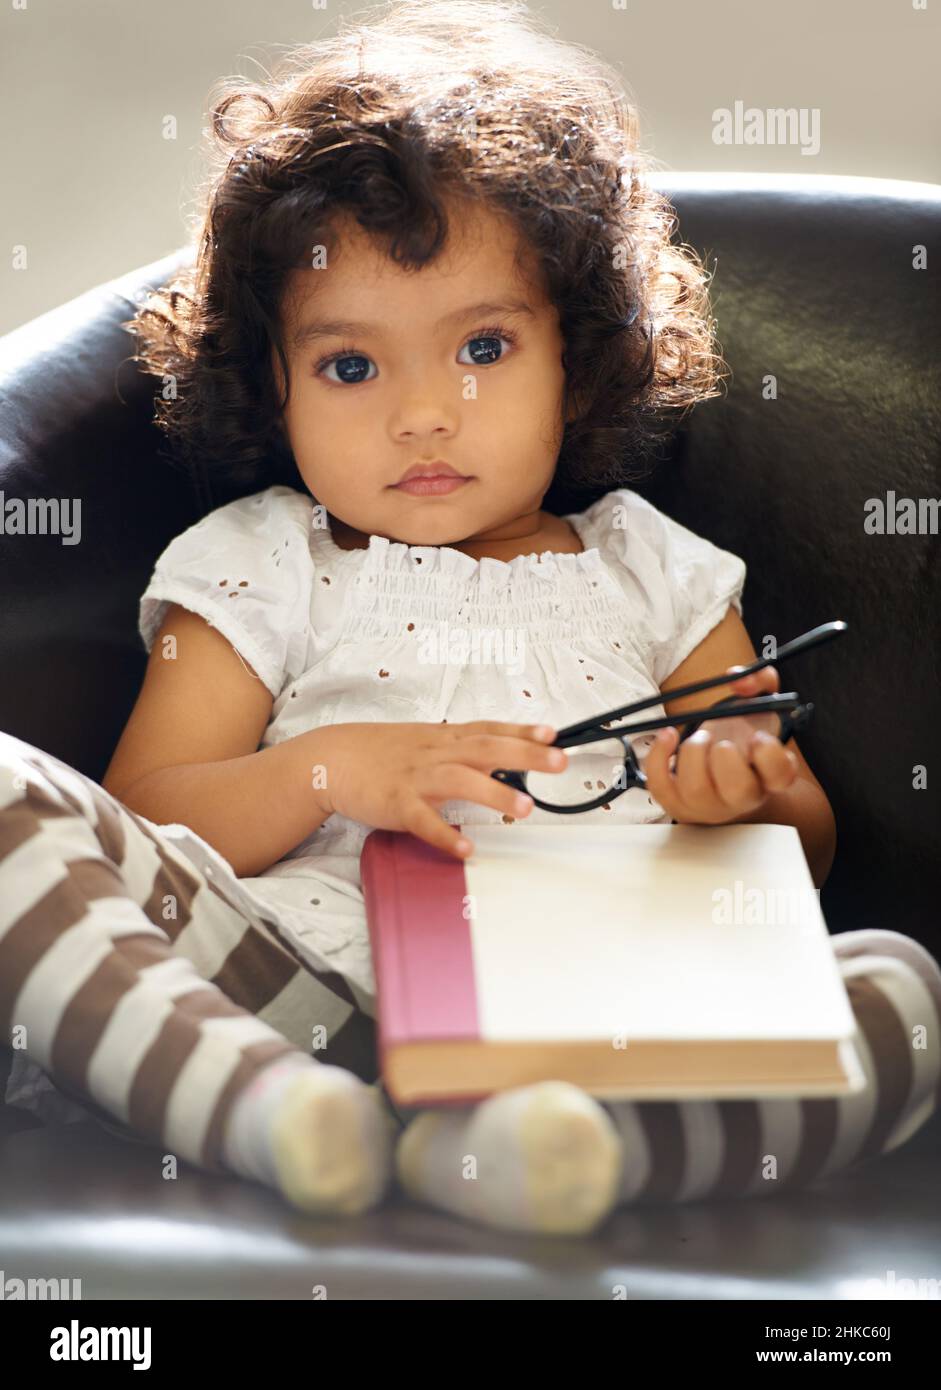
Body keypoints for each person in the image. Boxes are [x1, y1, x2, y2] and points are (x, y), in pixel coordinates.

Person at [2, 0, 938, 1237]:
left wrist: (742, 792)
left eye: (483, 347)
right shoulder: (260, 562)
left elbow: (798, 851)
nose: (423, 415)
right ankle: (274, 1110)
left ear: (581, 357)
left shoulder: (656, 571)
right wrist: (328, 769)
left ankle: (556, 1152)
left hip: (602, 1025)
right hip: (291, 997)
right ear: (269, 382)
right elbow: (154, 806)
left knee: (899, 988)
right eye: (350, 366)